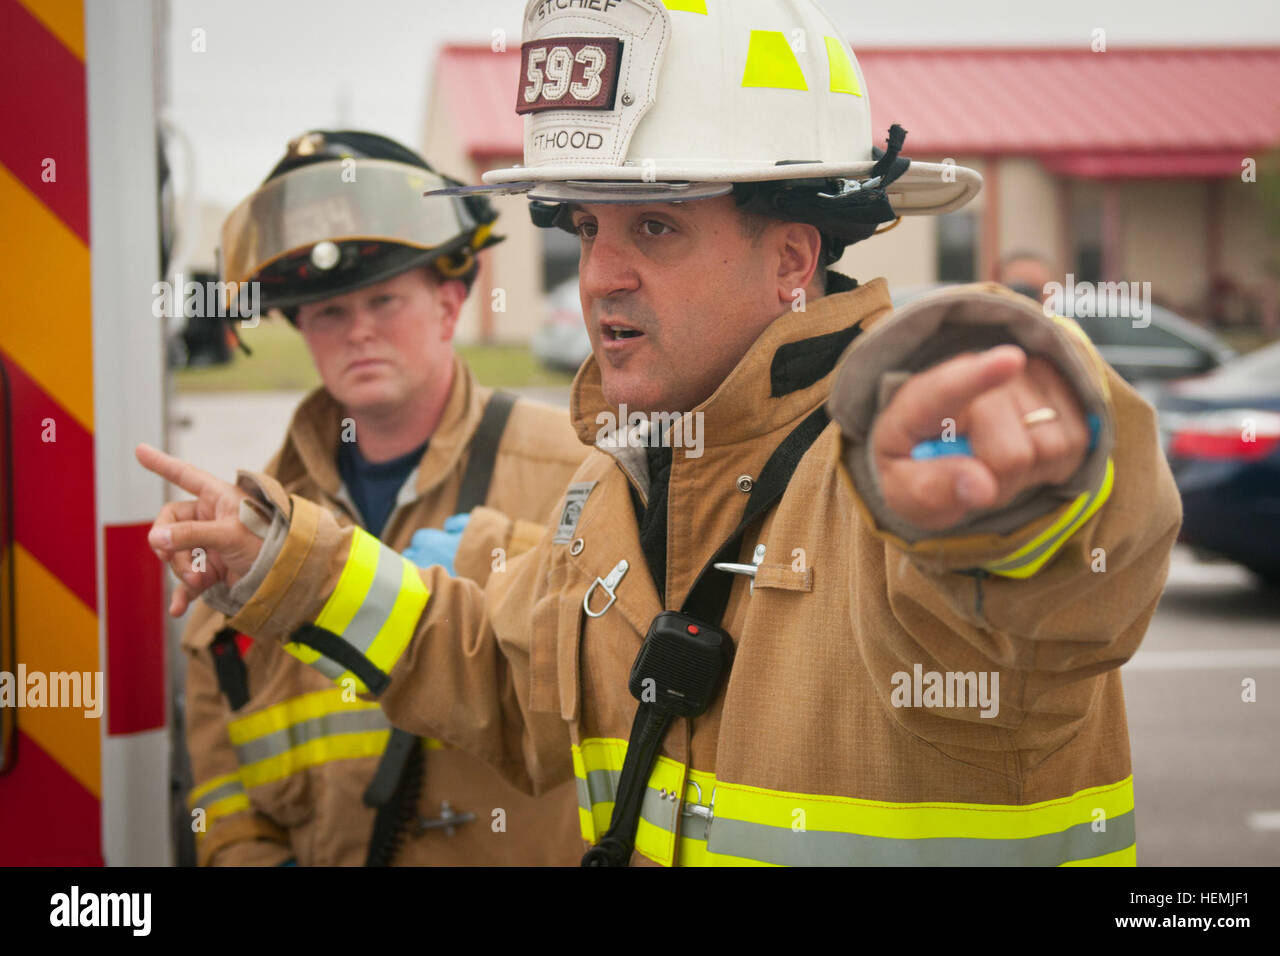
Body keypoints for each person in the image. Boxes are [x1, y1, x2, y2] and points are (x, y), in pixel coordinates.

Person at [142, 1, 1181, 866]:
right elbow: (506, 679)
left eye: (656, 225)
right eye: (587, 226)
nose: (598, 274)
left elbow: (1065, 571)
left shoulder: (892, 482)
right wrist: (287, 563)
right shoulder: (619, 489)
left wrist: (1033, 463)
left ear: (791, 257)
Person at [180, 130, 587, 866]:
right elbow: (223, 792)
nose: (358, 330)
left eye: (384, 299)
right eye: (329, 312)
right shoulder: (251, 531)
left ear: (450, 304)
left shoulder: (578, 475)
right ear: (301, 330)